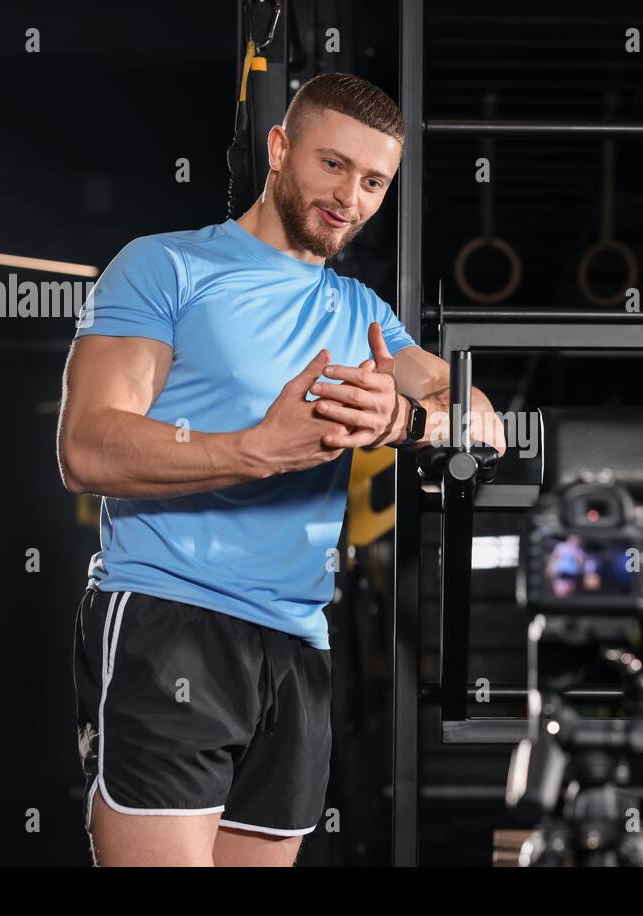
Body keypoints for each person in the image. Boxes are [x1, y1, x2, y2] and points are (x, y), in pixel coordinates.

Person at [56, 73, 506, 866]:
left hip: (296, 641)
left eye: (373, 182)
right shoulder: (165, 267)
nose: (351, 198)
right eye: (334, 166)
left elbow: (480, 417)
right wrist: (258, 448)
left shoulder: (364, 313)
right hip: (170, 618)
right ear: (279, 148)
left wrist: (403, 421)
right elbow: (86, 447)